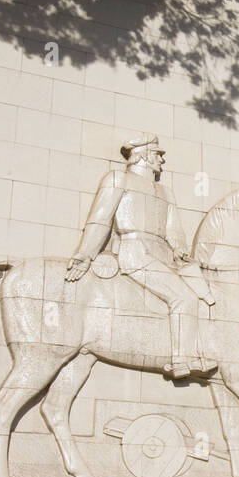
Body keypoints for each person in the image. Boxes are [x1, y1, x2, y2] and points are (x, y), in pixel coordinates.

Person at [65, 133, 216, 379]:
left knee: (202, 292)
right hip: (134, 252)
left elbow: (173, 229)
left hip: (163, 255)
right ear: (143, 155)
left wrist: (179, 249)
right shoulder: (118, 179)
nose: (161, 161)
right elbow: (100, 220)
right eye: (157, 155)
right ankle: (182, 360)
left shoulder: (165, 192)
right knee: (184, 298)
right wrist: (84, 255)